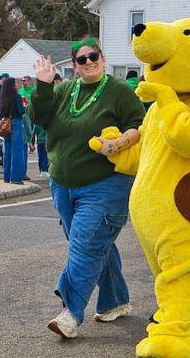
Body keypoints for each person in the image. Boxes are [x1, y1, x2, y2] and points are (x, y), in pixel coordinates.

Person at [29, 37, 145, 339]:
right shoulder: (64, 89)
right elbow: (39, 118)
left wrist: (118, 143)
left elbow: (138, 125)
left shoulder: (120, 91)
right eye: (82, 59)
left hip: (106, 185)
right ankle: (116, 300)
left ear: (103, 58)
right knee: (93, 243)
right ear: (74, 65)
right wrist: (42, 85)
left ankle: (71, 313)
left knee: (85, 244)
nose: (89, 62)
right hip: (63, 184)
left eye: (93, 56)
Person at [0, 77, 26, 184]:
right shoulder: (17, 97)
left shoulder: (4, 97)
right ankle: (15, 178)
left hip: (6, 123)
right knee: (17, 151)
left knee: (7, 151)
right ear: (13, 86)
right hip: (16, 123)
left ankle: (7, 176)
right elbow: (21, 111)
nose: (17, 85)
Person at [19, 75, 36, 155]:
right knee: (27, 130)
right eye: (22, 81)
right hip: (25, 114)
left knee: (32, 130)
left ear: (29, 81)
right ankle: (30, 145)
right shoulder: (21, 91)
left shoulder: (34, 90)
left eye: (24, 80)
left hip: (33, 113)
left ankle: (32, 144)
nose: (23, 82)